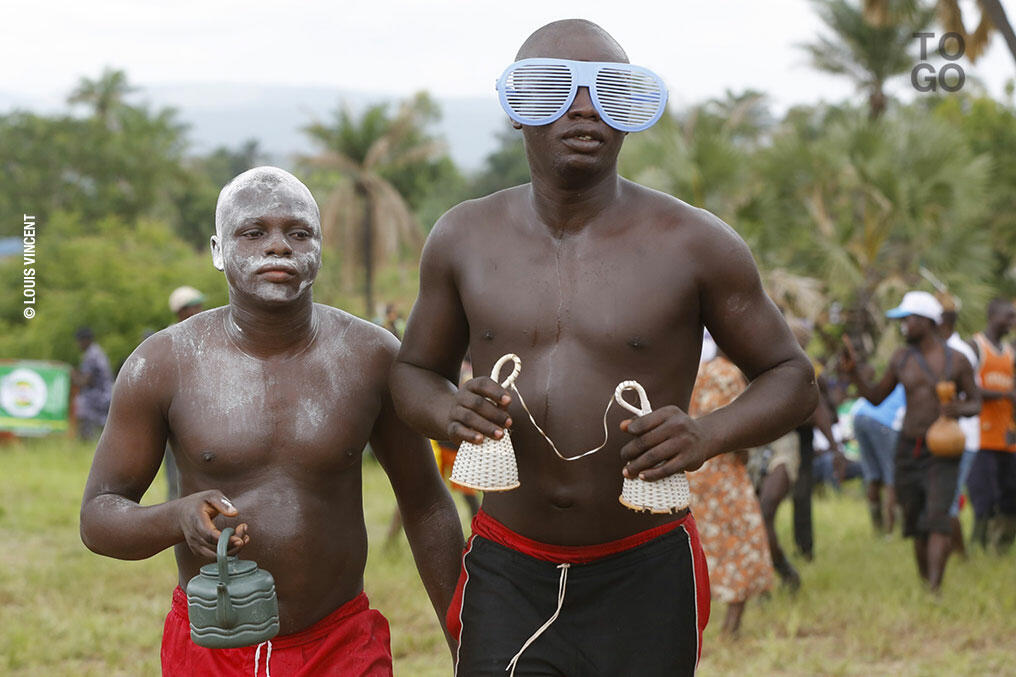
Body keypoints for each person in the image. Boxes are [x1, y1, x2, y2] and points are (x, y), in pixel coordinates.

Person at [389, 20, 817, 676]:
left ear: (631, 115)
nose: (584, 107)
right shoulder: (464, 238)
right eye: (553, 88)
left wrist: (706, 433)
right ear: (515, 109)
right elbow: (414, 372)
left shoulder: (694, 243)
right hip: (509, 563)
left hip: (645, 561)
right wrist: (449, 411)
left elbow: (791, 375)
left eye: (610, 91)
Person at [80, 167, 463, 676]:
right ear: (218, 250)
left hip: (341, 645)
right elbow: (99, 516)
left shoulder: (371, 357)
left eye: (298, 232)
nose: (279, 246)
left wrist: (466, 639)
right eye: (253, 232)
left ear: (320, 248)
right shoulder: (163, 362)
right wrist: (175, 518)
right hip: (212, 646)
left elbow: (425, 504)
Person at [842, 291, 980, 592]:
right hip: (908, 447)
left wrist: (959, 409)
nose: (903, 326)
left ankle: (934, 589)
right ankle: (926, 584)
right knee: (915, 519)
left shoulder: (956, 360)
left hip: (943, 449)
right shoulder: (901, 358)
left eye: (908, 320)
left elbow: (976, 403)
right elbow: (877, 397)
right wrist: (854, 374)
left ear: (927, 322)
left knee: (937, 517)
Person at [687, 354, 773, 637]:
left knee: (699, 546)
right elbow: (740, 431)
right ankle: (730, 628)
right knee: (743, 541)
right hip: (724, 475)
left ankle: (694, 625)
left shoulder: (699, 371)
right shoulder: (731, 375)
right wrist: (746, 456)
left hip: (694, 474)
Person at [965, 298, 1016, 551]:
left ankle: (1002, 546)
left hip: (1006, 436)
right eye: (1009, 316)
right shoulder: (975, 346)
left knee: (1009, 492)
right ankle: (978, 544)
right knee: (983, 494)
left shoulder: (1009, 352)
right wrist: (1004, 395)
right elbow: (967, 388)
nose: (1012, 322)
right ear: (993, 315)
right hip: (980, 436)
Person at [937, 295, 980, 556]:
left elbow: (973, 399)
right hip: (943, 436)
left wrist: (954, 409)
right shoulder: (936, 353)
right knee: (943, 499)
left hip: (963, 436)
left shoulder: (960, 354)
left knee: (949, 500)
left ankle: (961, 556)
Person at [162, 286, 207, 500]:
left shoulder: (205, 338)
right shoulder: (169, 341)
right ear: (181, 311)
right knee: (176, 479)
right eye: (194, 307)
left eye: (200, 306)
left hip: (203, 421)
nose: (200, 311)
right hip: (176, 420)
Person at [851, 384, 905, 533]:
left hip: (859, 415)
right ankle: (891, 531)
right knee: (891, 477)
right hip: (884, 422)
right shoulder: (914, 383)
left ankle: (878, 530)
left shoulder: (894, 379)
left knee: (873, 475)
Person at [72, 326, 113, 440]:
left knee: (80, 405)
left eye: (79, 341)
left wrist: (72, 375)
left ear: (85, 340)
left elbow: (85, 381)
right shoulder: (96, 351)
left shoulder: (91, 355)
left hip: (100, 396)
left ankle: (87, 441)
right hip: (106, 394)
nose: (78, 345)